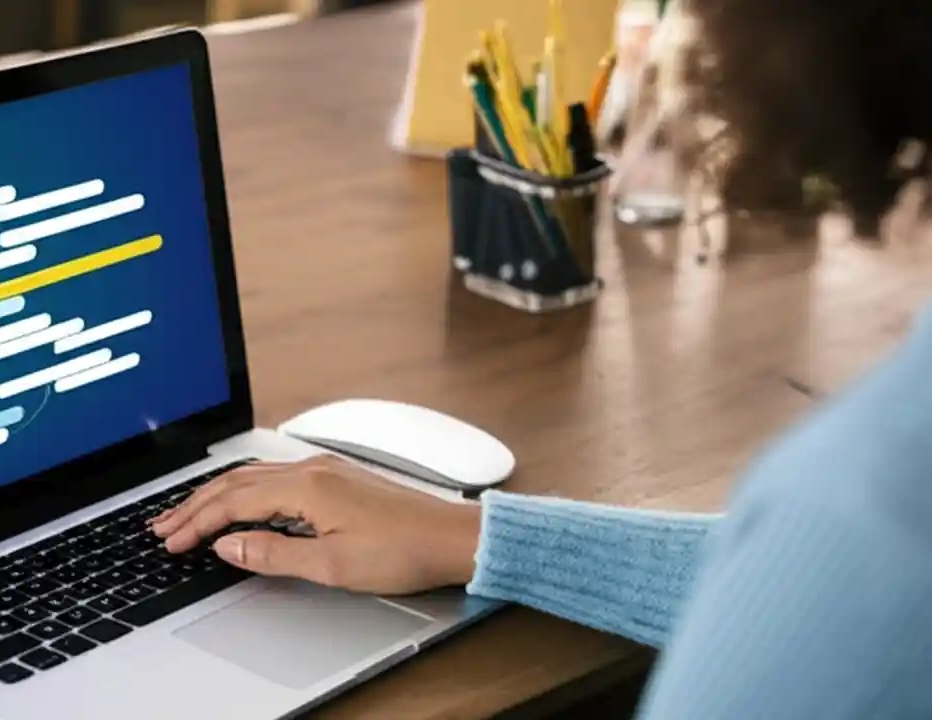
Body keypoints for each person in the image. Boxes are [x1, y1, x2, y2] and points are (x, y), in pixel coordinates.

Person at [154, 0, 932, 717]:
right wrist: (475, 537)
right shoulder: (861, 516)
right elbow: (791, 590)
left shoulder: (867, 508)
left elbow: (835, 580)